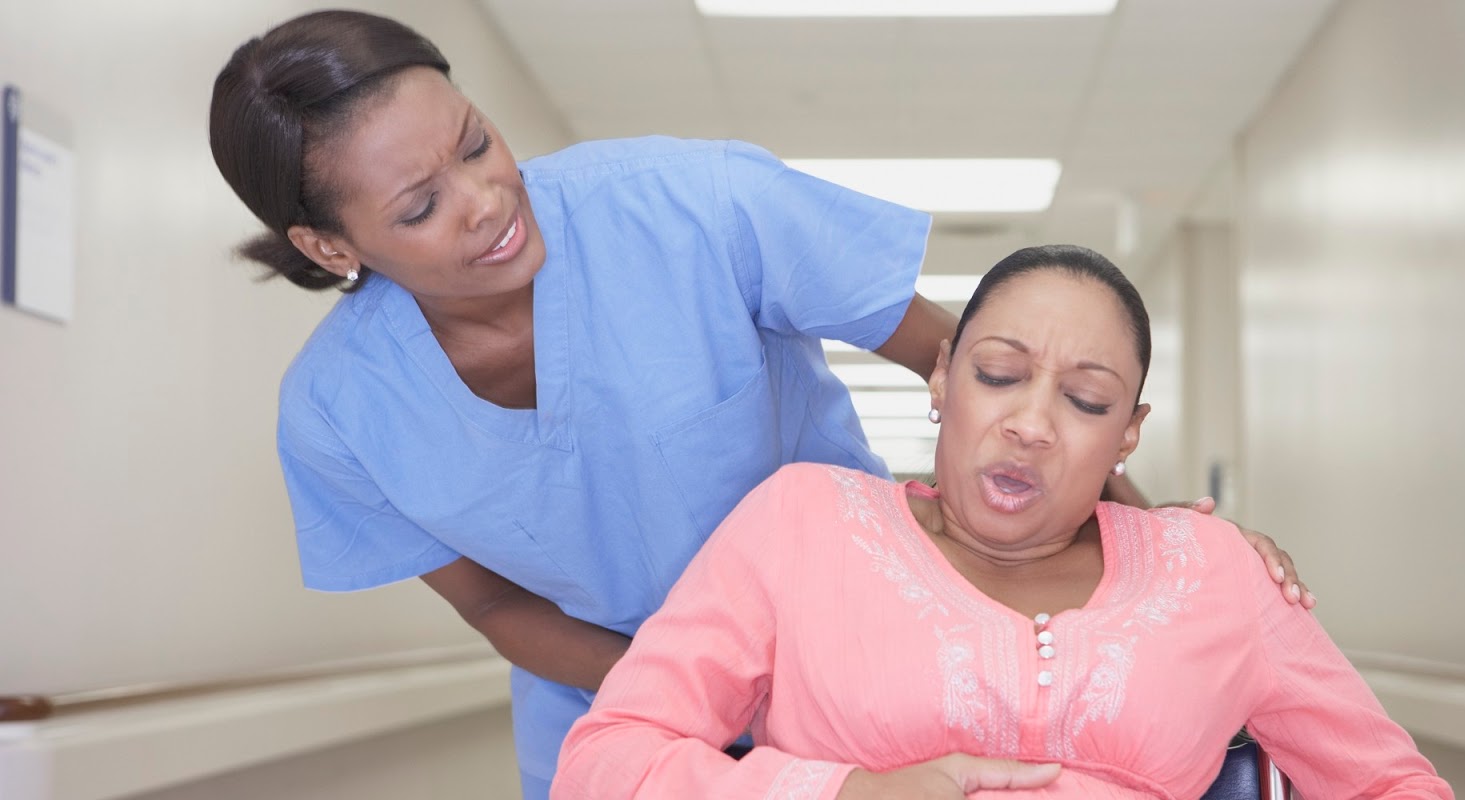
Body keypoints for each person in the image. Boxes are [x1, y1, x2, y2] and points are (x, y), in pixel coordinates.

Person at [209, 12, 1312, 799]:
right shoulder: (338, 415)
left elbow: (985, 381)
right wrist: (696, 689)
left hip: (856, 672)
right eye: (421, 203)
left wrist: (1166, 556)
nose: (490, 198)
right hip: (615, 715)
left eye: (476, 140)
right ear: (330, 246)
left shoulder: (695, 207)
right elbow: (495, 608)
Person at [553, 245, 1451, 799]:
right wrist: (843, 792)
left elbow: (1392, 784)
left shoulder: (1214, 570)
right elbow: (607, 763)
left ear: (1128, 433)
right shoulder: (800, 524)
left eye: (1087, 399)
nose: (1030, 423)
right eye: (997, 375)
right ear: (941, 378)